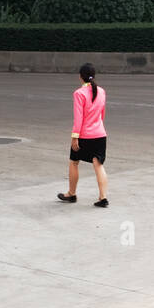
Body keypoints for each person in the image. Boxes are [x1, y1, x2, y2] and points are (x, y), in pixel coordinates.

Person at [57, 62, 108, 208]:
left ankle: (71, 194)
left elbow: (78, 118)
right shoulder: (102, 91)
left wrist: (75, 137)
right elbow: (102, 114)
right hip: (100, 134)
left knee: (74, 162)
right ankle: (103, 197)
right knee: (98, 165)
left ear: (80, 77)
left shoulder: (79, 93)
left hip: (85, 136)